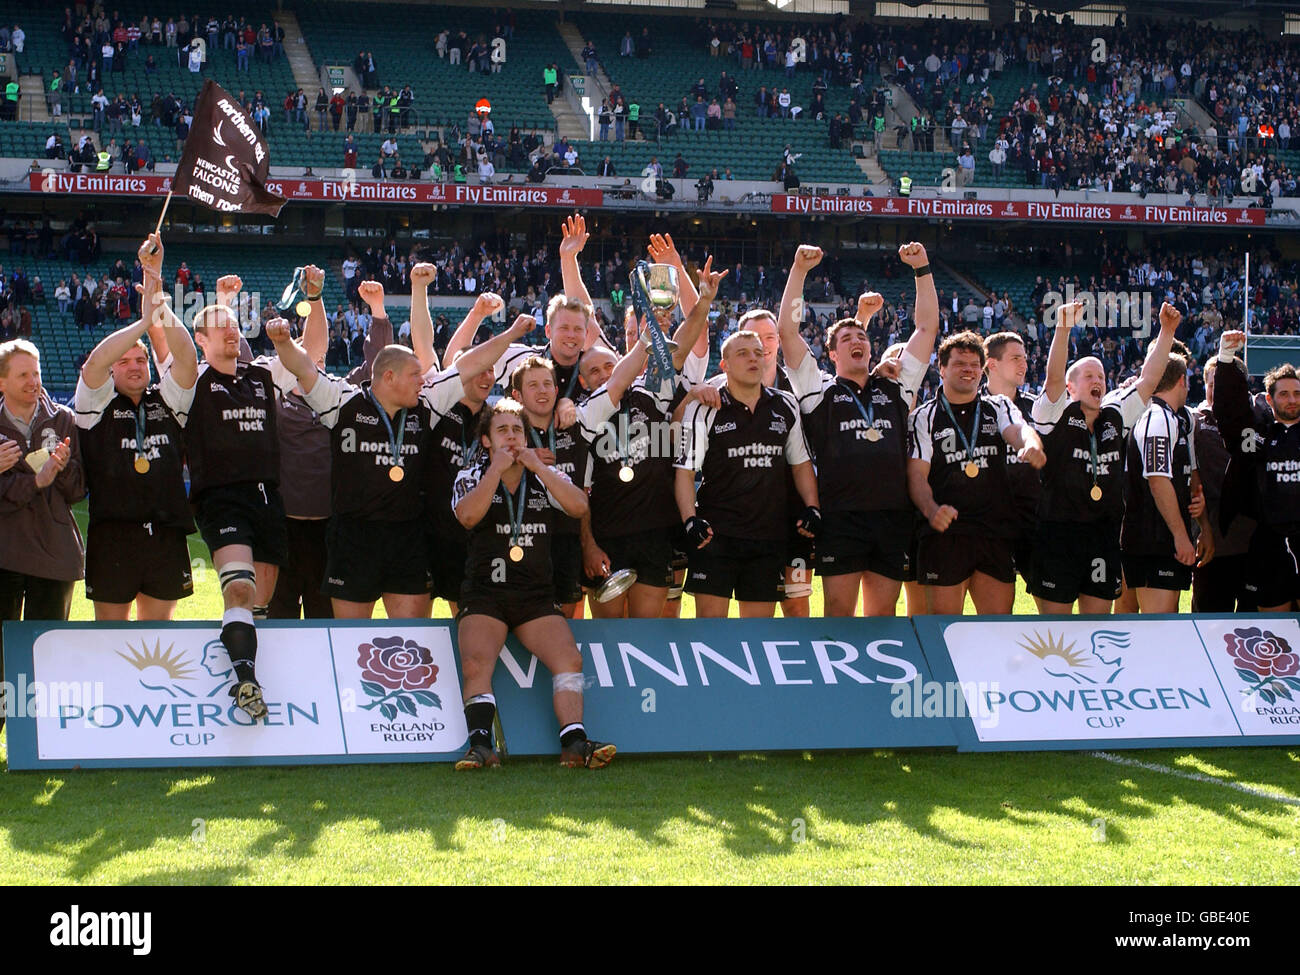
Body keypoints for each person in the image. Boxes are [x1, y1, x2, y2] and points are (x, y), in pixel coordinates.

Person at [279, 305, 533, 620]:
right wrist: (282, 343)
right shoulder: (342, 401)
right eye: (415, 375)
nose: (422, 381)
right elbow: (304, 369)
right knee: (351, 641)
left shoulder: (427, 404)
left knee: (412, 638)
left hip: (406, 538)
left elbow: (469, 365)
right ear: (389, 376)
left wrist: (511, 334)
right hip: (354, 538)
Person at [182, 281, 328, 719]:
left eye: (232, 325)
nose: (229, 331)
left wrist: (314, 302)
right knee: (240, 587)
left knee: (258, 603)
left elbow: (314, 350)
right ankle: (245, 682)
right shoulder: (189, 382)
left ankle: (254, 681)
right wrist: (156, 283)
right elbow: (162, 338)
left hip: (269, 500)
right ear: (200, 341)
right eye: (218, 327)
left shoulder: (263, 373)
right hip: (222, 500)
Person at [451, 397, 614, 770]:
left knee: (569, 658)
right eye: (502, 430)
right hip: (485, 592)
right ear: (487, 440)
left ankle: (574, 743)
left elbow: (578, 507)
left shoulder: (541, 474)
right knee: (477, 662)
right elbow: (468, 516)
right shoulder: (471, 475)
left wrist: (539, 468)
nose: (511, 437)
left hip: (535, 595)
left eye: (518, 429)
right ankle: (480, 747)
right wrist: (495, 471)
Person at [778, 242, 939, 616]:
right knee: (838, 613)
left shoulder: (896, 385)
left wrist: (922, 269)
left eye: (862, 337)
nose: (857, 341)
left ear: (870, 349)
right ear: (832, 354)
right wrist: (799, 272)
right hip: (840, 518)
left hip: (890, 517)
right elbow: (787, 331)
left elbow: (927, 328)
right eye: (846, 339)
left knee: (881, 617)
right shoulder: (818, 391)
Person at [578, 257, 720, 619]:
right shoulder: (584, 415)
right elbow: (581, 493)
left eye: (608, 366)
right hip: (608, 534)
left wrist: (703, 303)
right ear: (583, 381)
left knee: (648, 633)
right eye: (592, 371)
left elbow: (681, 348)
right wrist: (589, 544)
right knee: (608, 636)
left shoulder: (650, 393)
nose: (602, 374)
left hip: (655, 534)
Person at [74, 234, 196, 620]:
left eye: (140, 361)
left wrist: (159, 306)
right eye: (124, 361)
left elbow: (188, 356)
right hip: (113, 535)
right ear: (113, 370)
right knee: (112, 639)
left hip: (165, 532)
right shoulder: (96, 403)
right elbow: (95, 362)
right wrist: (143, 322)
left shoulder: (168, 401)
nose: (133, 367)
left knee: (156, 637)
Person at [1029, 300, 1179, 614]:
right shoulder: (1053, 412)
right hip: (1058, 533)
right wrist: (1063, 328)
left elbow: (1148, 380)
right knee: (1054, 629)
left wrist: (1166, 332)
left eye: (1100, 377)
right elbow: (1053, 379)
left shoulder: (1114, 414)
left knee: (1095, 627)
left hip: (1103, 534)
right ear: (1072, 387)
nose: (1097, 381)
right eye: (1088, 377)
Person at [676, 328, 820, 618]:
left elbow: (801, 464)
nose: (754, 359)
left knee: (758, 634)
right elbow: (685, 473)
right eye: (743, 353)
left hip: (767, 538)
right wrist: (690, 520)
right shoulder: (706, 408)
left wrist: (813, 507)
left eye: (758, 353)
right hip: (716, 537)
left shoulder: (785, 404)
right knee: (710, 630)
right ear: (724, 364)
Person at [908, 332, 1046, 614]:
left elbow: (1018, 430)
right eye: (960, 364)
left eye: (974, 364)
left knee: (997, 631)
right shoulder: (924, 417)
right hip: (945, 534)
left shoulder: (998, 406)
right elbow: (916, 475)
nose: (968, 370)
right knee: (944, 630)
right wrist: (932, 509)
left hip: (992, 532)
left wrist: (1031, 445)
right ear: (942, 368)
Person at [0, 337, 83, 708]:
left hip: (53, 552)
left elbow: (79, 489)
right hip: (4, 553)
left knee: (46, 648)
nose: (34, 382)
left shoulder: (63, 419)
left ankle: (42, 736)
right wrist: (33, 481)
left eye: (36, 373)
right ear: (2, 382)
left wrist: (59, 471)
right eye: (23, 375)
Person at [1120, 333, 1212, 614]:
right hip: (1151, 538)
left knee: (1158, 621)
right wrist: (1181, 535)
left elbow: (1190, 474)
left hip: (1159, 537)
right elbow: (1158, 480)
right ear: (1182, 379)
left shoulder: (1181, 417)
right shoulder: (1154, 416)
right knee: (1155, 626)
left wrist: (1202, 524)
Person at [1213, 331, 1300, 611]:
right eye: (1284, 394)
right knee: (1273, 633)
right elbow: (1229, 412)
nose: (1292, 400)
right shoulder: (1257, 435)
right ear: (1270, 400)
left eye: (1298, 394)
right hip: (1268, 543)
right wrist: (1226, 359)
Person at [1189, 354, 1256, 612]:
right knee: (1209, 627)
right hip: (1210, 543)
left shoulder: (1259, 418)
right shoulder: (1193, 421)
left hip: (1252, 543)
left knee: (1253, 632)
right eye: (1212, 383)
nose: (1218, 390)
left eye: (1225, 383)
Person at [983, 331, 1040, 588]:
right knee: (996, 613)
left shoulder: (1037, 407)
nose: (1024, 365)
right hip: (989, 523)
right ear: (992, 364)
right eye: (1016, 358)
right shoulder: (973, 407)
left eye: (1025, 358)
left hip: (1034, 521)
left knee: (1050, 613)